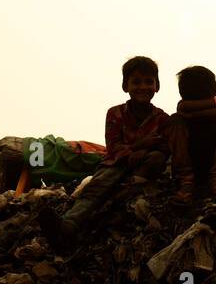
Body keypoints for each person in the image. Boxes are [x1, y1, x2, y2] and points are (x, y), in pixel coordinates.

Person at [39, 56, 169, 250]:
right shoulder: (115, 113)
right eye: (136, 82)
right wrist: (140, 146)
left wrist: (142, 151)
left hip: (145, 167)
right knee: (96, 188)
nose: (143, 87)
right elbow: (114, 148)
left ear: (157, 86)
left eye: (149, 82)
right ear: (125, 86)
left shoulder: (163, 119)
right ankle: (67, 228)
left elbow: (164, 147)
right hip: (117, 165)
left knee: (156, 158)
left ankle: (132, 189)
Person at [168, 65, 216, 205]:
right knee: (175, 121)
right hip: (188, 169)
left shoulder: (212, 113)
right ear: (212, 90)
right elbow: (184, 107)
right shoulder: (182, 111)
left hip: (211, 168)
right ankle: (186, 181)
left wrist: (194, 115)